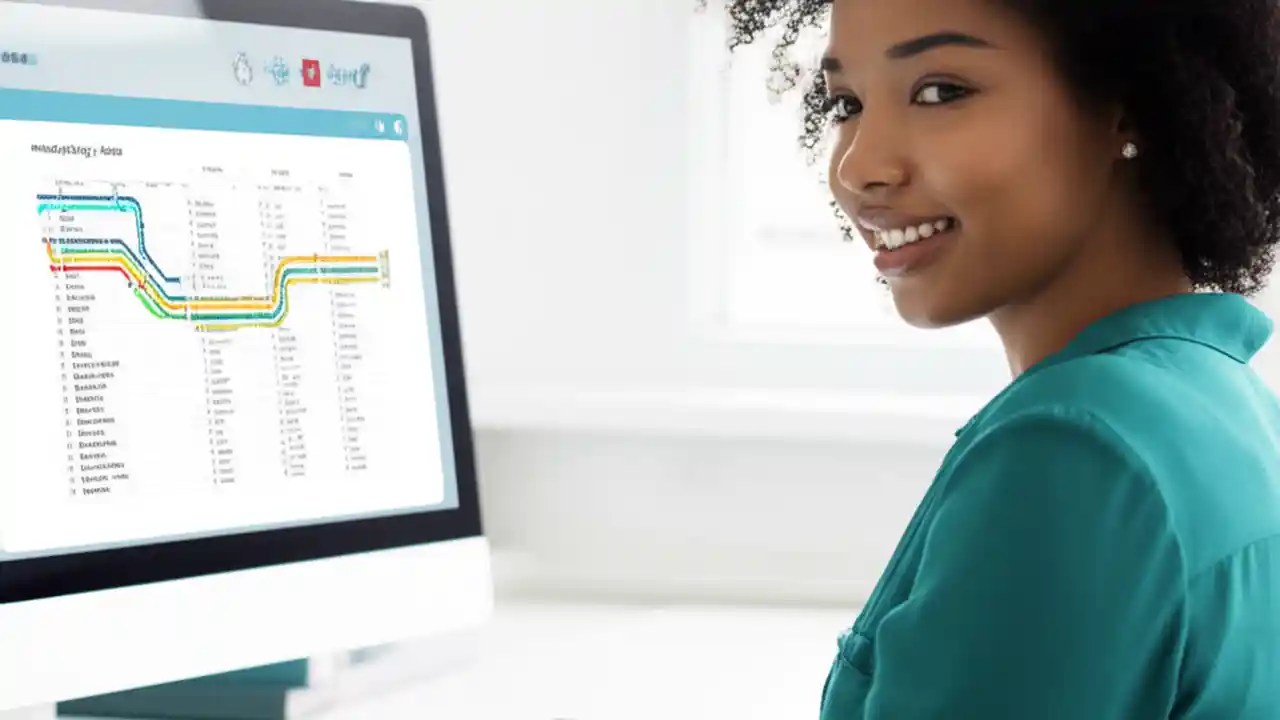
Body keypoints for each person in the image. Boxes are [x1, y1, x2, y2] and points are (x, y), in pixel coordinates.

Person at [715, 0, 1280, 717]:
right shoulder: (1225, 406)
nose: (859, 168)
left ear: (1127, 106)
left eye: (940, 91)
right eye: (847, 103)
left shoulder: (1075, 451)